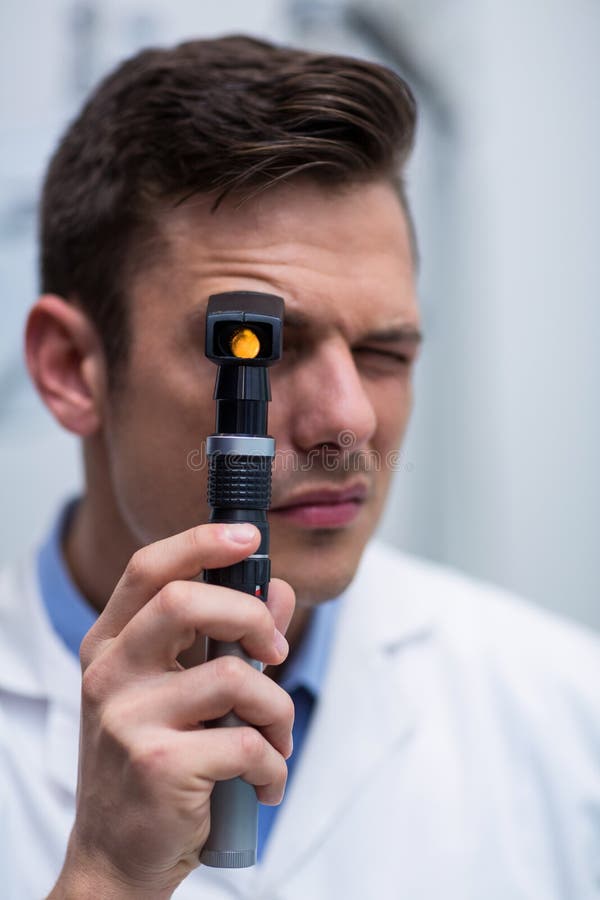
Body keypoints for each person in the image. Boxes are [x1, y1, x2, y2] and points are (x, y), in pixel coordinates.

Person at [1, 33, 598, 900]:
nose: (349, 422)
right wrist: (105, 879)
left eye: (385, 353)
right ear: (71, 369)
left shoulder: (569, 719)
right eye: (260, 348)